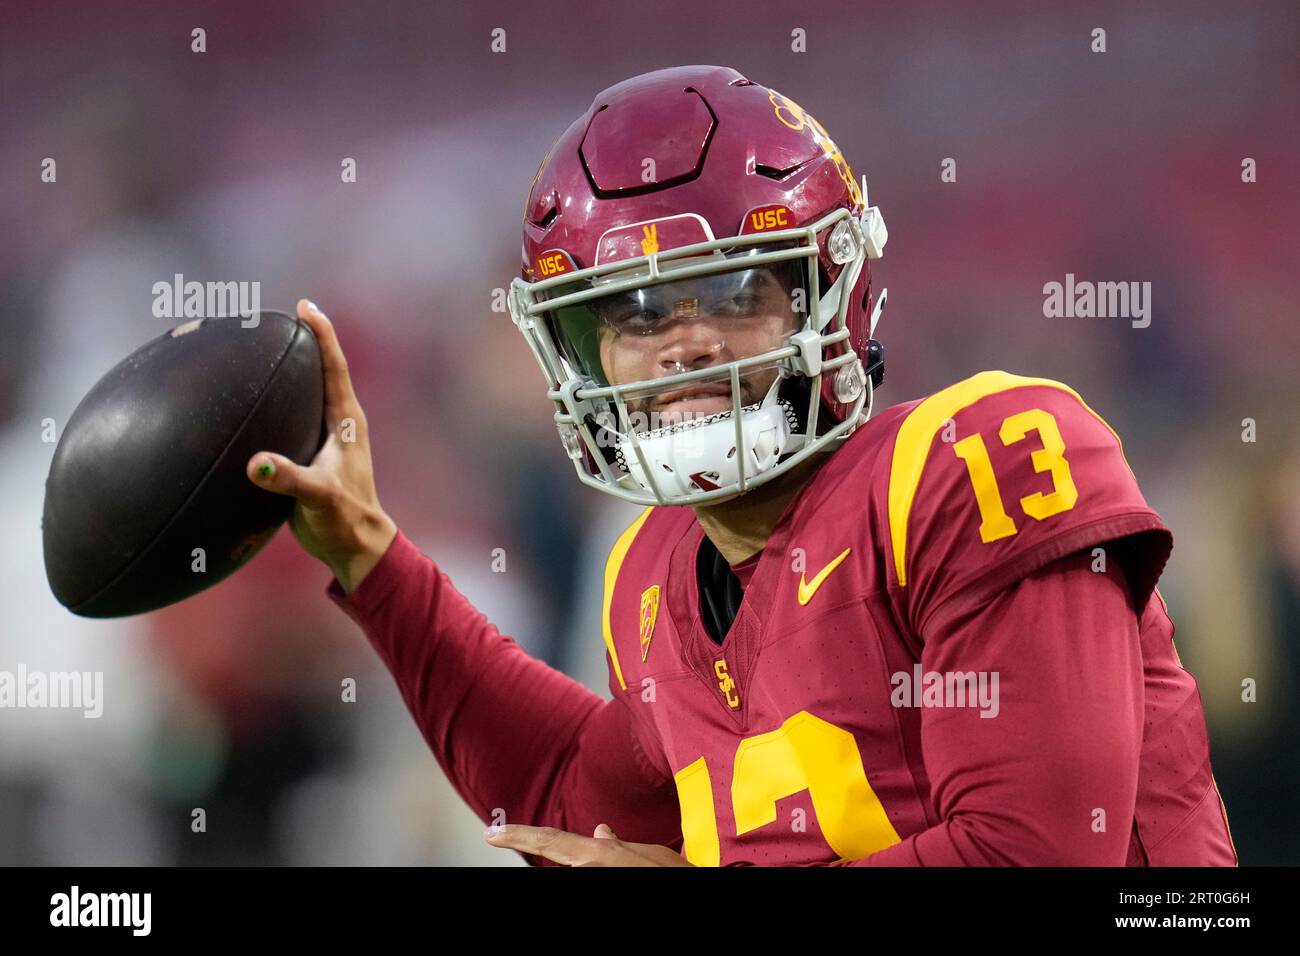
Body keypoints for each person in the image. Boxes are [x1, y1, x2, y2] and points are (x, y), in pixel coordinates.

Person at [245, 65, 1236, 866]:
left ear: (828, 294)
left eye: (727, 293)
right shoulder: (652, 569)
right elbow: (577, 799)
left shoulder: (977, 462)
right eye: (631, 315)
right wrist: (369, 555)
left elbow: (1038, 852)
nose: (679, 346)